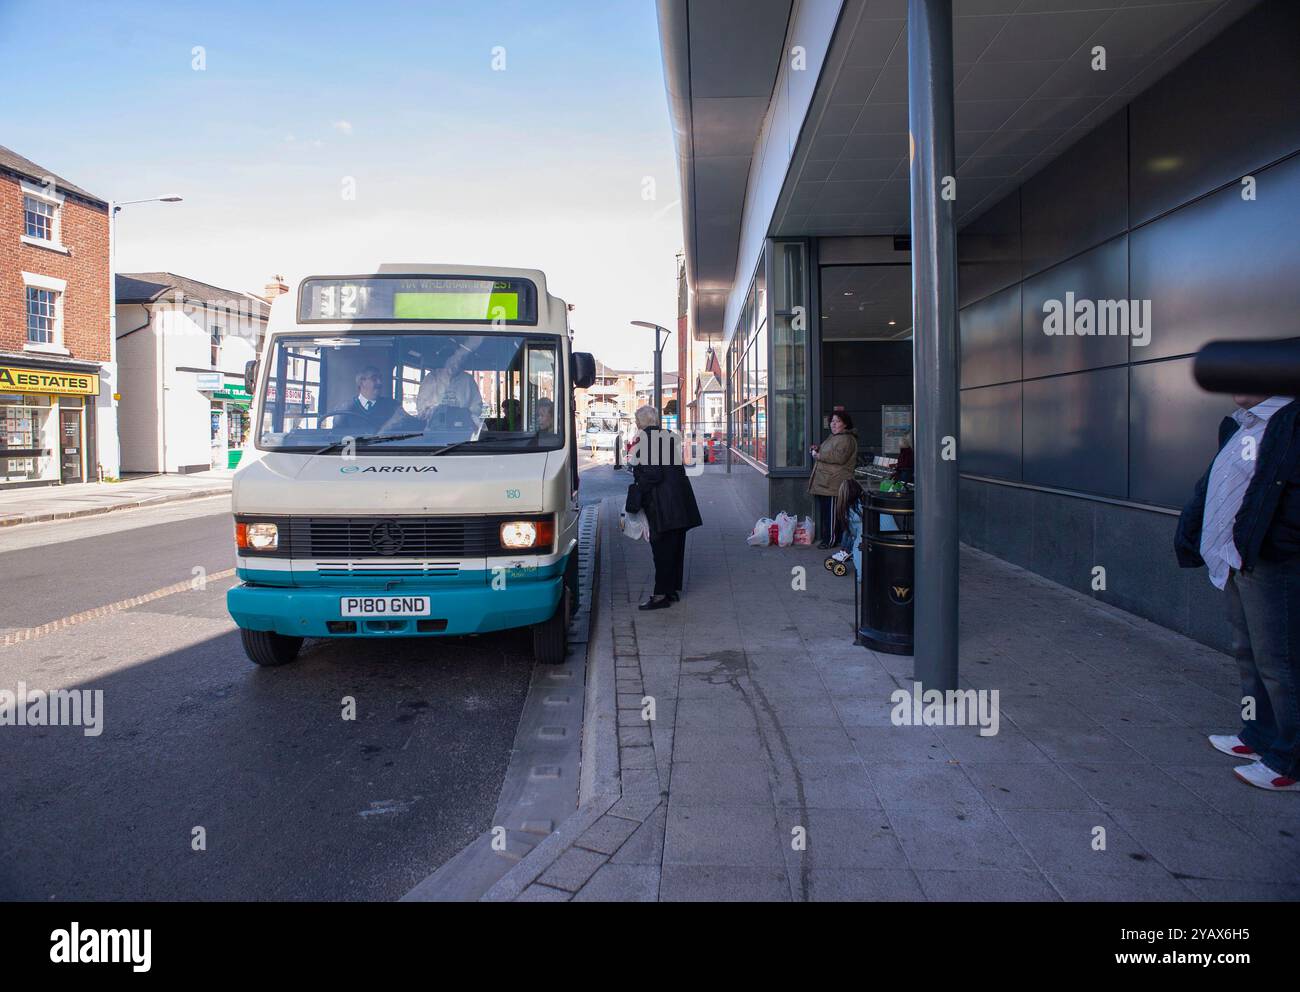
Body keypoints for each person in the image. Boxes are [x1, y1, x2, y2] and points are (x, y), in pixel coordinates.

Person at [1175, 393, 1300, 792]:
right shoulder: (1239, 424)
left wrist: (1274, 545)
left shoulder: (1291, 421)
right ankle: (1259, 735)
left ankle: (1290, 760)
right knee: (1249, 652)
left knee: (1279, 661)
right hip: (1233, 557)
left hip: (1267, 559)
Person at [628, 404, 701, 610]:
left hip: (662, 505)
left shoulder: (647, 440)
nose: (635, 423)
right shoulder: (668, 437)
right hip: (679, 503)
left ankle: (660, 595)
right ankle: (671, 590)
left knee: (660, 550)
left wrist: (638, 487)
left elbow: (653, 474)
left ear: (642, 422)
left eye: (636, 420)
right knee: (675, 548)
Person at [809, 411, 859, 549]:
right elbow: (830, 452)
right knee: (828, 513)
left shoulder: (847, 439)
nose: (833, 424)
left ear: (845, 424)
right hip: (827, 482)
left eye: (837, 421)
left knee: (832, 515)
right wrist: (817, 449)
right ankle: (830, 539)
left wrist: (819, 455)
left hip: (835, 483)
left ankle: (830, 540)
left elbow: (839, 457)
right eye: (832, 421)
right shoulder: (834, 437)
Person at [415, 340, 484, 428]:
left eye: (457, 362)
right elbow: (421, 407)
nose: (453, 366)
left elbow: (477, 406)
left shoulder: (468, 380)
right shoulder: (432, 377)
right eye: (450, 362)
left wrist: (464, 415)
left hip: (462, 429)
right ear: (444, 362)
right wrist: (434, 411)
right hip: (435, 429)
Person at [333, 366, 400, 431]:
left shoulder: (393, 406)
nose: (380, 382)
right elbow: (337, 437)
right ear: (362, 382)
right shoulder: (344, 409)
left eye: (380, 378)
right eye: (374, 379)